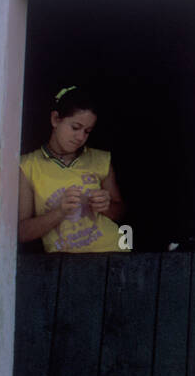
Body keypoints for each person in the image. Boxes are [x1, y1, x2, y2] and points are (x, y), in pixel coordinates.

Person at [18, 86, 128, 252]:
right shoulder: (28, 166)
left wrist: (107, 206)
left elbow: (121, 214)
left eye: (87, 131)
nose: (80, 137)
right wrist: (60, 212)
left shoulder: (100, 159)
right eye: (75, 127)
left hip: (114, 253)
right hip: (63, 267)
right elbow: (21, 233)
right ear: (55, 119)